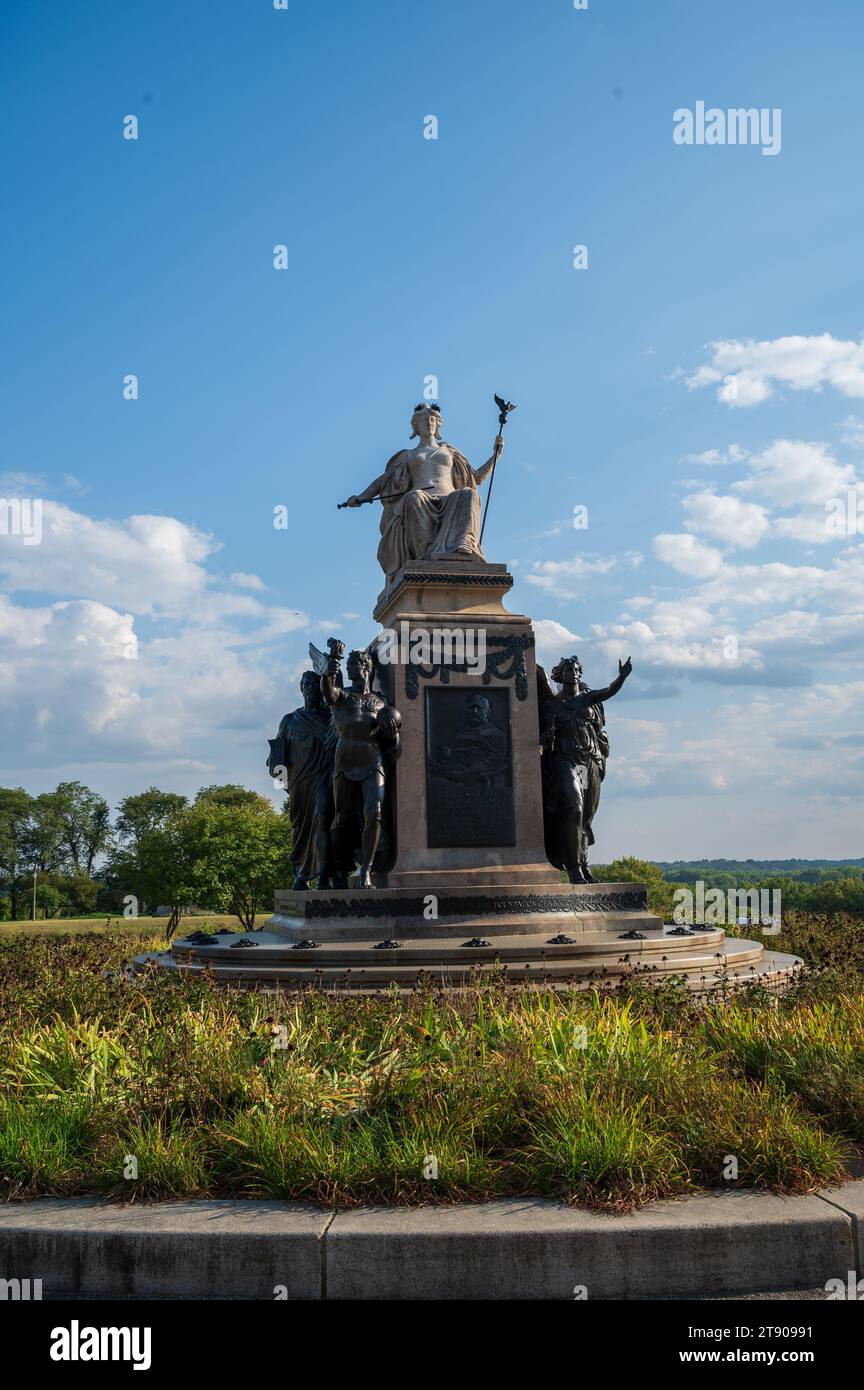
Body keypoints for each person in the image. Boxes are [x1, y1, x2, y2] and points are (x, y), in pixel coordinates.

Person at [339, 403, 503, 584]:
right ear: (415, 427)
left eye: (433, 420)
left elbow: (477, 478)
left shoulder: (450, 452)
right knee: (413, 496)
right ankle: (425, 556)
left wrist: (495, 456)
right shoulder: (407, 455)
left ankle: (463, 542)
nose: (429, 423)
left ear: (438, 424)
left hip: (450, 499)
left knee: (468, 493)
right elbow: (383, 481)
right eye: (424, 420)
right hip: (421, 500)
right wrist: (361, 497)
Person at [537, 654, 632, 883]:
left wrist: (622, 676)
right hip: (564, 761)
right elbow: (537, 736)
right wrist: (546, 736)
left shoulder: (588, 699)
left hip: (588, 762)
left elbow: (609, 691)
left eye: (575, 669)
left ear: (580, 673)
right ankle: (573, 868)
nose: (572, 672)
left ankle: (583, 862)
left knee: (585, 816)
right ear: (559, 675)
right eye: (567, 669)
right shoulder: (551, 704)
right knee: (574, 809)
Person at [266, 671, 335, 889]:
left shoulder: (330, 717)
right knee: (299, 829)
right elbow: (276, 761)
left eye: (314, 685)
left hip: (323, 778)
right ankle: (302, 874)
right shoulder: (290, 720)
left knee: (323, 817)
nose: (310, 689)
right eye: (306, 685)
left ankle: (324, 875)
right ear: (300, 688)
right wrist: (284, 783)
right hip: (298, 785)